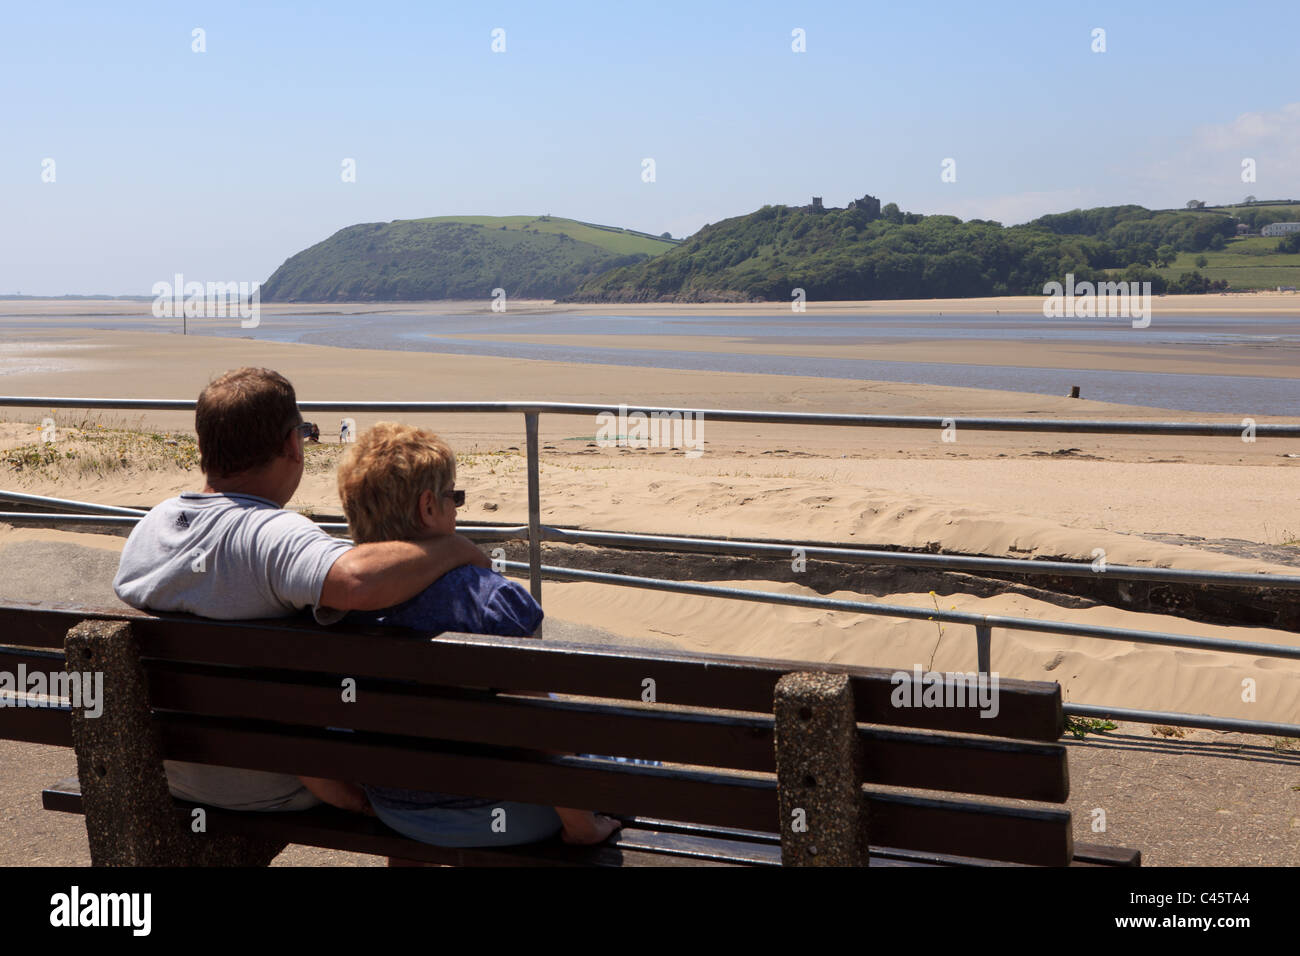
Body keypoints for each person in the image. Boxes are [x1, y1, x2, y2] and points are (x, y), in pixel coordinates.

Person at [112, 367, 489, 813]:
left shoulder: (150, 526)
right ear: (292, 444)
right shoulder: (270, 535)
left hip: (172, 770)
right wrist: (455, 547)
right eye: (305, 435)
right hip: (270, 779)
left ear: (203, 449)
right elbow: (354, 581)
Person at [333, 421, 621, 848]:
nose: (458, 509)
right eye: (455, 496)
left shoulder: (337, 605)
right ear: (429, 508)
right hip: (501, 816)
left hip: (395, 810)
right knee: (635, 753)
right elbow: (540, 724)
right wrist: (582, 827)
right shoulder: (488, 601)